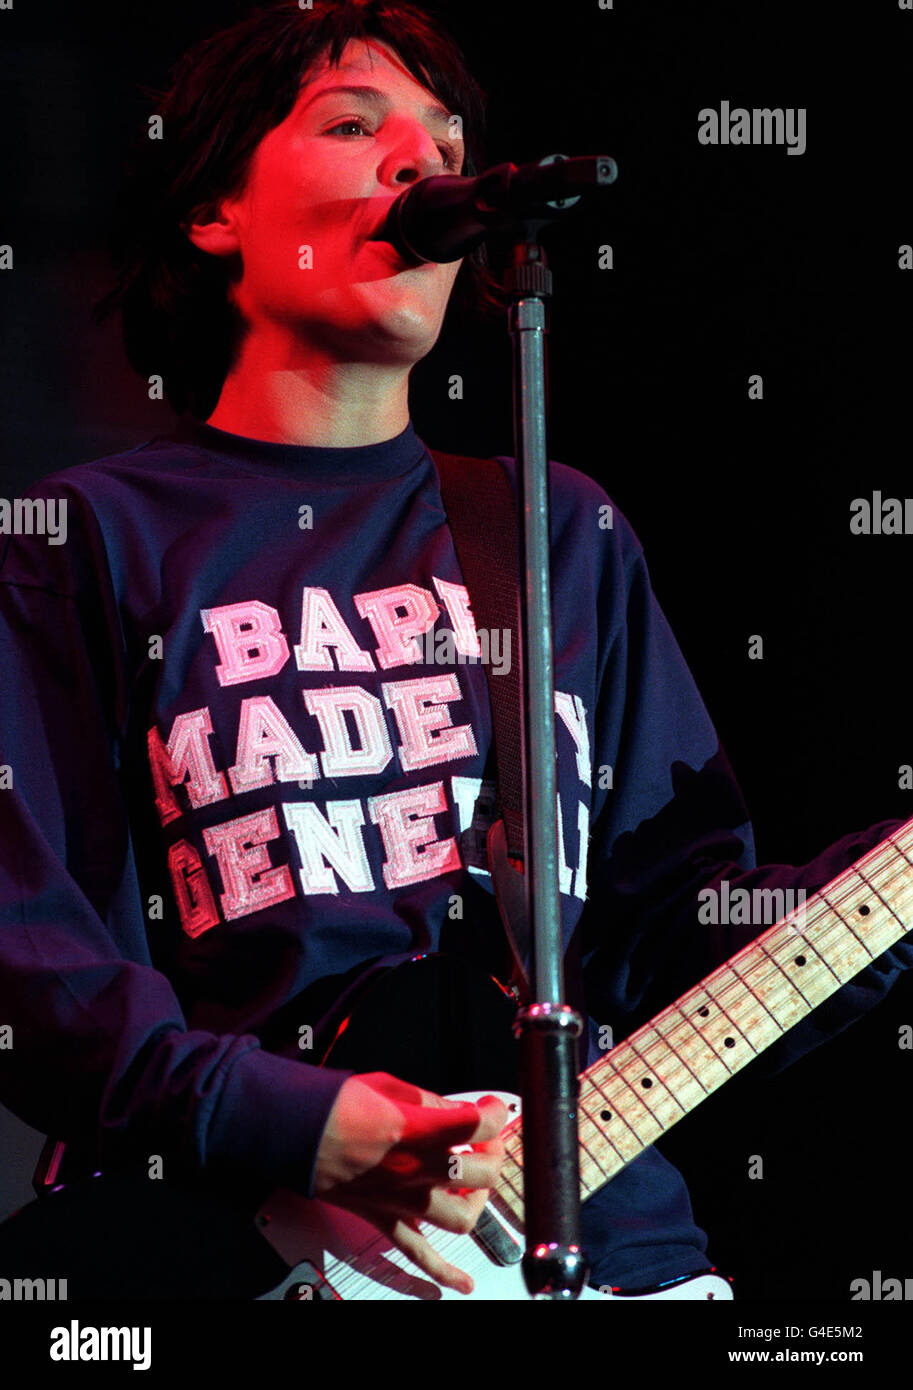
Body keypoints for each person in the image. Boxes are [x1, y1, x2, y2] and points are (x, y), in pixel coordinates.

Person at [1, 0, 911, 1301]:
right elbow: (31, 956)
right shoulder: (87, 540)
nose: (422, 164)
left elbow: (665, 942)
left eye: (445, 138)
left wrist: (880, 896)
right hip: (253, 1249)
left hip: (615, 1257)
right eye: (354, 124)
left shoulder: (556, 526)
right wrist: (294, 1128)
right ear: (214, 207)